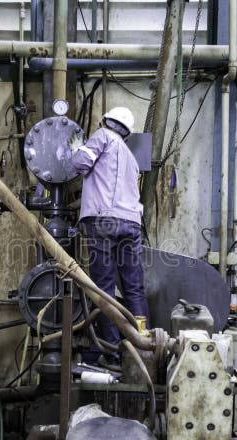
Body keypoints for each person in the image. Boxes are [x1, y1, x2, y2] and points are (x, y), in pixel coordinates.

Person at [69, 106, 149, 356]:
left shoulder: (103, 136)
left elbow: (81, 163)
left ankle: (112, 350)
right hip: (132, 224)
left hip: (104, 220)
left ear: (104, 121)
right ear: (127, 132)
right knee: (133, 287)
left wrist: (74, 149)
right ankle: (141, 347)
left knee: (102, 288)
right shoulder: (131, 158)